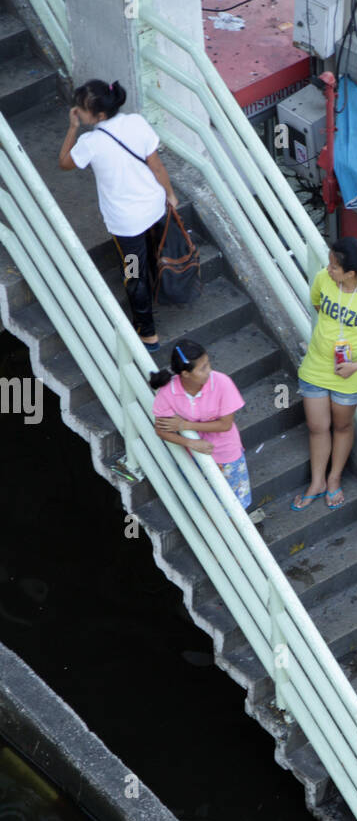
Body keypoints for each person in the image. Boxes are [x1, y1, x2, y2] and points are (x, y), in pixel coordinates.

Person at [58, 79, 177, 353]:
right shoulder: (136, 122)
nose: (77, 111)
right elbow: (157, 167)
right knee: (156, 254)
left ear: (99, 116)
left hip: (127, 224)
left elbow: (64, 163)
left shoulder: (90, 143)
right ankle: (164, 291)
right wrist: (170, 194)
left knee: (134, 274)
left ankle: (148, 333)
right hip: (155, 207)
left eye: (81, 109)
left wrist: (73, 128)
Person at [293, 237, 357, 512]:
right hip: (316, 366)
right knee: (317, 426)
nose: (328, 270)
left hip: (350, 374)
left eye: (335, 267)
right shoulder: (323, 280)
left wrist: (356, 364)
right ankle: (317, 482)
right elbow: (316, 303)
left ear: (351, 273)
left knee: (342, 426)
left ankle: (334, 477)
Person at [149, 339, 263, 520]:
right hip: (194, 457)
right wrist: (190, 442)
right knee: (205, 504)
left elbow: (225, 424)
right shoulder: (167, 392)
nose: (209, 370)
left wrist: (184, 425)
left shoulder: (222, 382)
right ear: (185, 374)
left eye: (208, 364)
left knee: (233, 506)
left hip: (227, 453)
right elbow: (161, 430)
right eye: (202, 368)